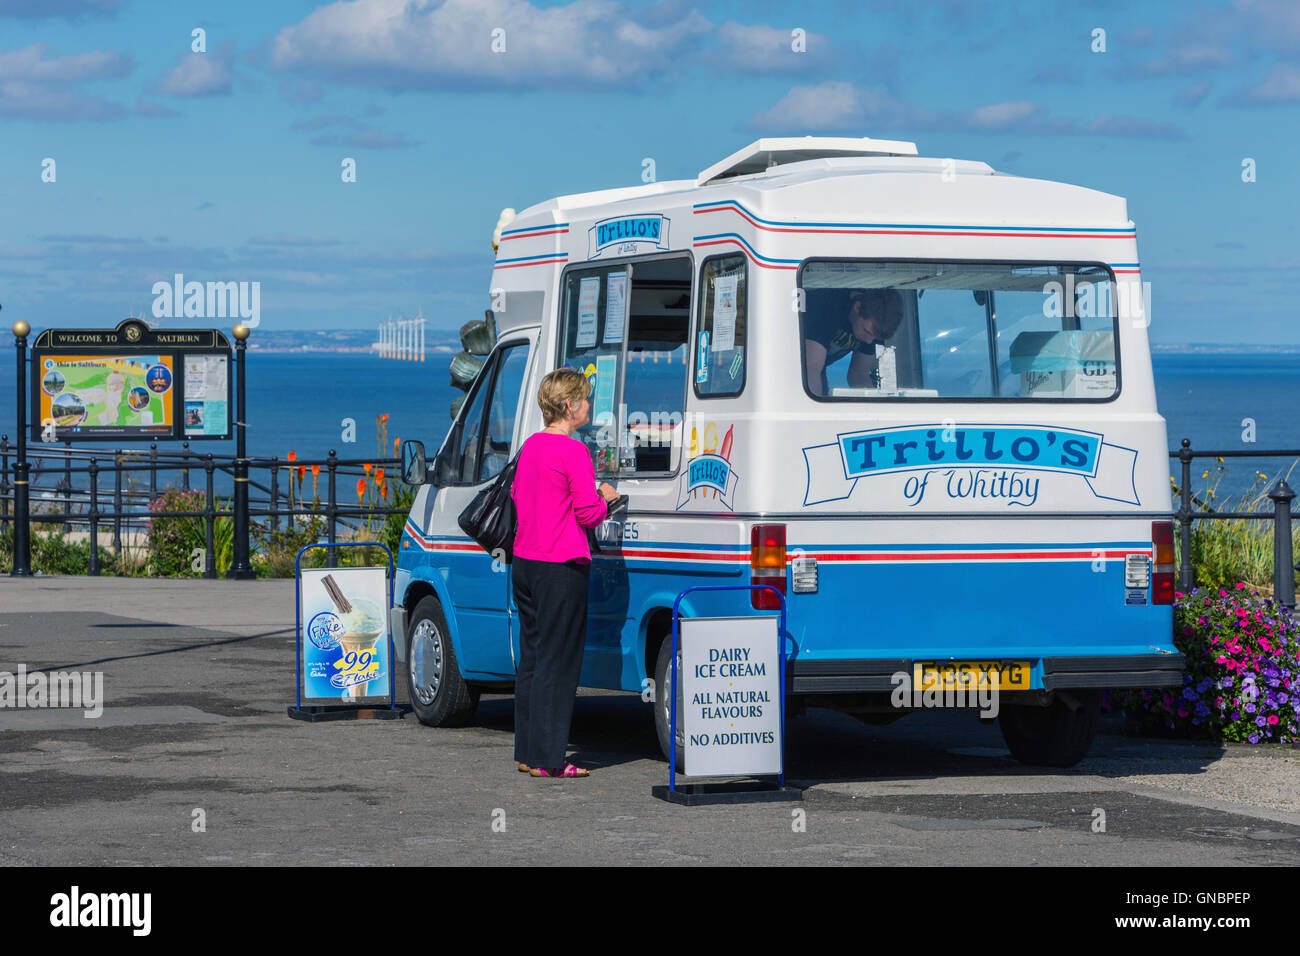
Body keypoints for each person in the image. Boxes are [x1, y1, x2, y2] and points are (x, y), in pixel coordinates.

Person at [510, 367, 619, 779]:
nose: (590, 405)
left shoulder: (531, 447)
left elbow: (520, 497)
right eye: (586, 399)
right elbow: (588, 513)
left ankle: (528, 752)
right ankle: (552, 760)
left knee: (534, 660)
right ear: (570, 406)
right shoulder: (574, 452)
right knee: (560, 663)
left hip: (525, 563)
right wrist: (608, 497)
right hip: (561, 566)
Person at [804, 288, 905, 395]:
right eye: (866, 331)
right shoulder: (828, 305)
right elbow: (810, 368)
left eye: (875, 338)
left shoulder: (873, 326)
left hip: (816, 367)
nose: (869, 341)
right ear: (857, 307)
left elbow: (859, 375)